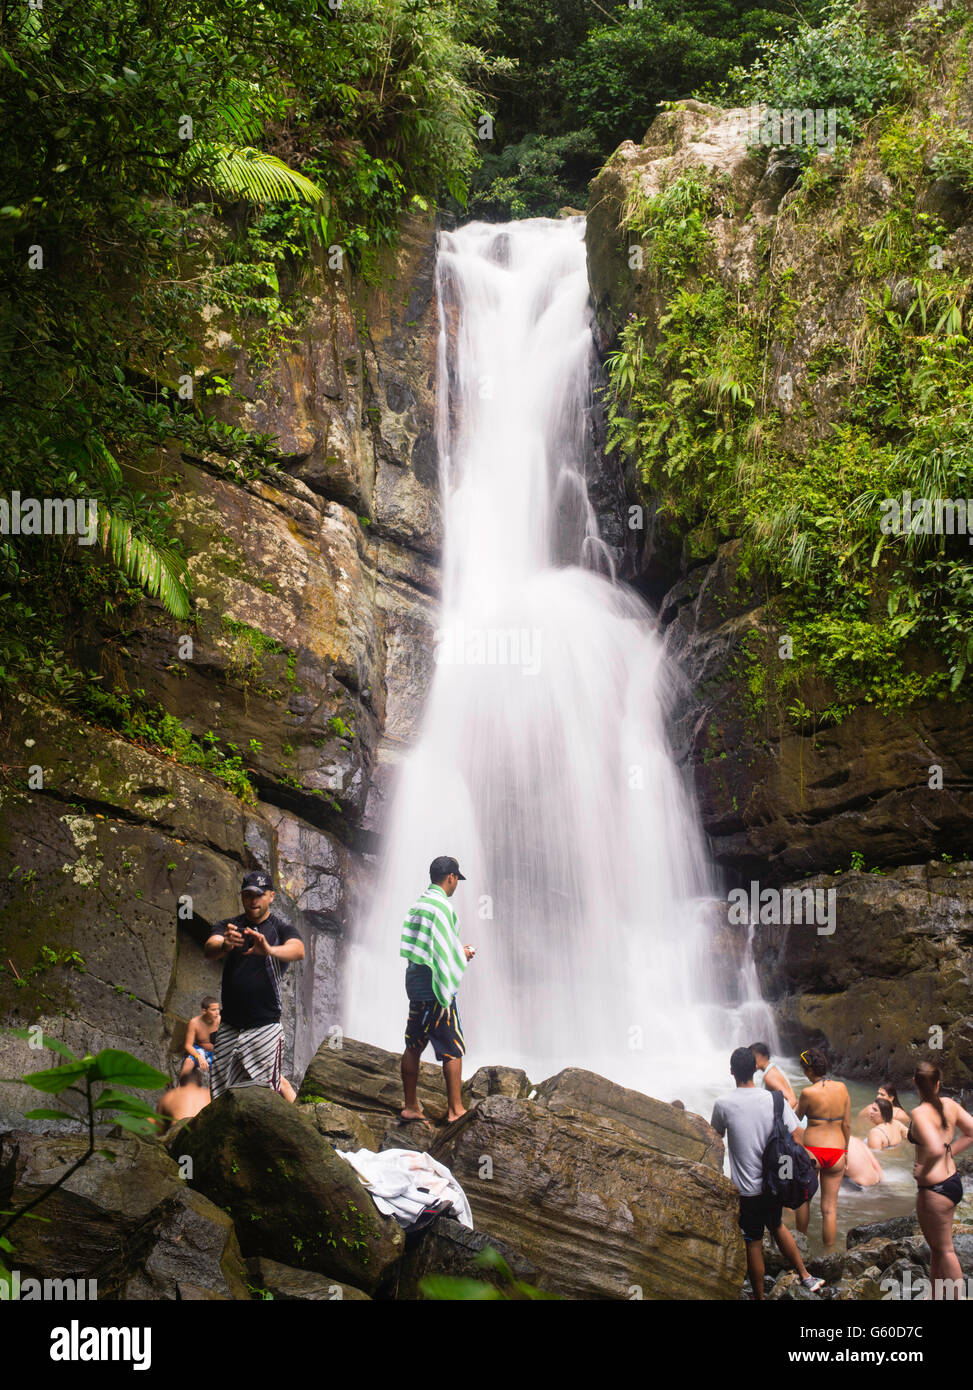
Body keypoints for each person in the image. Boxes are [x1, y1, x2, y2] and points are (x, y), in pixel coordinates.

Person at [710, 1046, 824, 1299]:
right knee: (777, 1225)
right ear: (754, 1069)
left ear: (731, 1072)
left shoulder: (723, 1104)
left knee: (753, 1240)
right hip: (774, 1183)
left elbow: (714, 1139)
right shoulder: (775, 1100)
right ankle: (806, 1276)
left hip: (747, 1190)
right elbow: (797, 1134)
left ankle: (760, 1297)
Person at [203, 869, 305, 1102]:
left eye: (259, 895)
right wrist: (225, 945)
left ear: (271, 896)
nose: (253, 900)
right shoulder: (229, 926)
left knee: (263, 1097)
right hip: (229, 1026)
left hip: (264, 1027)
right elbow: (210, 947)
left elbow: (298, 950)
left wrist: (269, 950)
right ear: (242, 897)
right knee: (219, 1093)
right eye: (248, 895)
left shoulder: (281, 929)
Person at [400, 856, 475, 1127]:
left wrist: (454, 953)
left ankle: (410, 1106)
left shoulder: (419, 904)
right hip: (436, 992)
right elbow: (443, 954)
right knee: (452, 1049)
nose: (456, 885)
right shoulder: (442, 907)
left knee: (413, 1046)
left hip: (417, 989)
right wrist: (463, 954)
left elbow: (425, 947)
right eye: (457, 880)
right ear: (451, 877)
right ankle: (455, 1109)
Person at [908, 1060, 973, 1299]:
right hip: (953, 1183)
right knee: (937, 1249)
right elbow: (971, 1131)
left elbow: (935, 1149)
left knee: (946, 1250)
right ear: (938, 1084)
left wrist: (923, 1172)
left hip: (934, 1189)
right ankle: (936, 1295)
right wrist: (951, 1152)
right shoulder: (949, 1104)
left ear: (915, 1083)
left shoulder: (919, 1113)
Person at [794, 1047, 850, 1248]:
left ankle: (801, 1246)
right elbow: (846, 1125)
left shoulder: (808, 1093)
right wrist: (846, 1153)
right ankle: (829, 1253)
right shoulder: (842, 1088)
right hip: (837, 1152)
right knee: (830, 1209)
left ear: (809, 1071)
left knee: (803, 1200)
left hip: (813, 1152)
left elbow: (795, 1119)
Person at [179, 995, 221, 1081]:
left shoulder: (220, 1020)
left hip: (216, 1051)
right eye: (213, 1010)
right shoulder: (195, 1023)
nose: (217, 1013)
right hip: (200, 1050)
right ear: (204, 1011)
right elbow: (188, 1045)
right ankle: (179, 1090)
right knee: (188, 1062)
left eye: (218, 1009)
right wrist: (199, 1057)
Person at [750, 1042, 798, 1109]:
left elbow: (792, 1100)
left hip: (790, 1115)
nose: (751, 1062)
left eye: (753, 1058)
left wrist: (780, 1118)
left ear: (760, 1056)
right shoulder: (775, 1068)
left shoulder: (769, 1076)